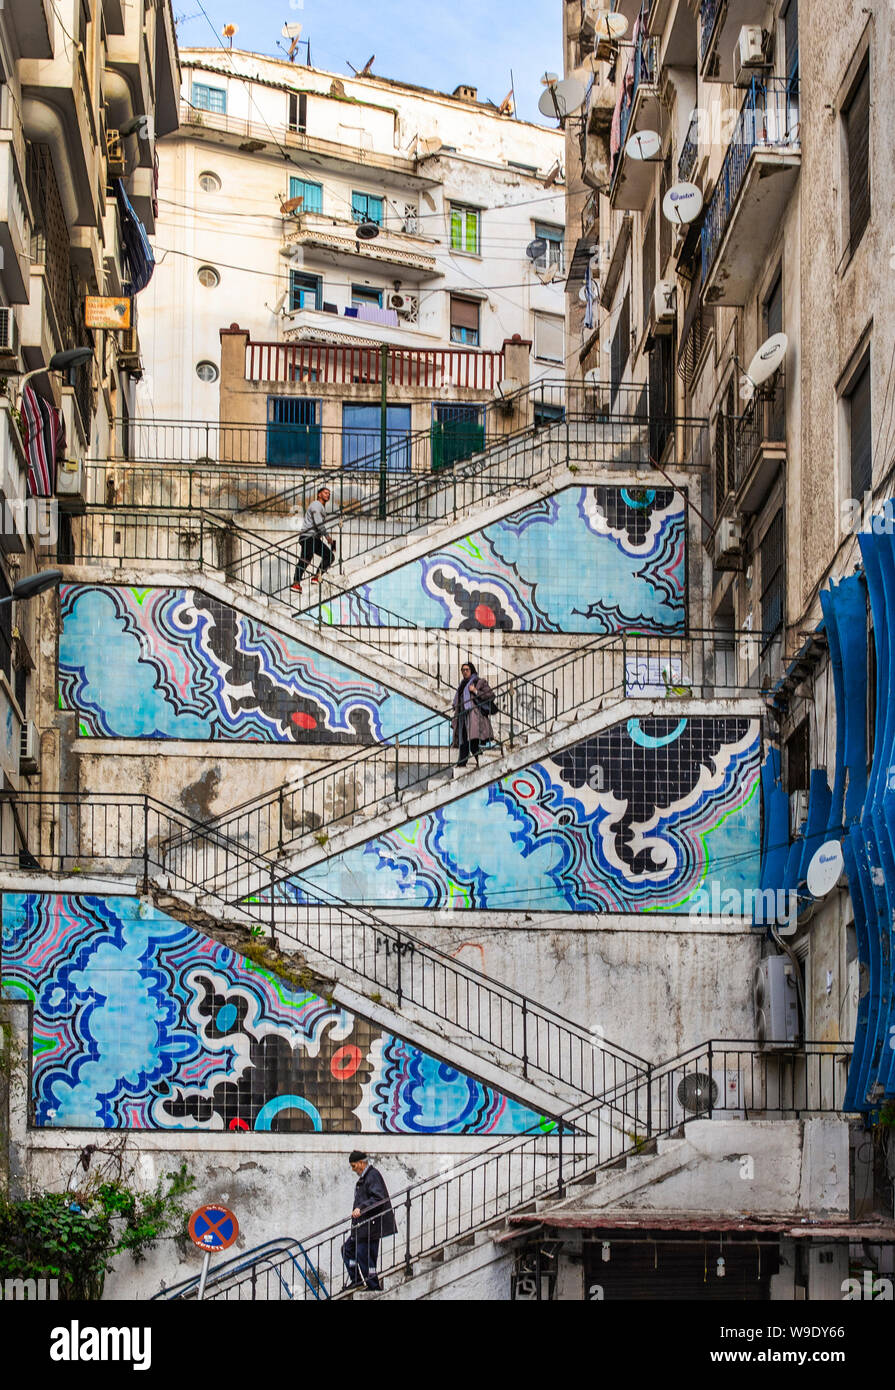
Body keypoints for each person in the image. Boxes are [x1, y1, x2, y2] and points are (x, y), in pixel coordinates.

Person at [341, 1151, 397, 1292]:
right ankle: (357, 1281)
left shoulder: (372, 1175)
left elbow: (379, 1198)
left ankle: (373, 1286)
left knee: (364, 1255)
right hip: (361, 1227)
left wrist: (361, 1207)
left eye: (354, 1166)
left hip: (370, 1227)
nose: (353, 1170)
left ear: (361, 1163)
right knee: (348, 1250)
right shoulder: (364, 1178)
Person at [291, 487, 336, 592]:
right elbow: (318, 523)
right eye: (325, 493)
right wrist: (328, 537)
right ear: (319, 494)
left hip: (314, 538)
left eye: (329, 493)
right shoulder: (316, 505)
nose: (328, 495)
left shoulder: (321, 507)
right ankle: (296, 583)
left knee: (329, 556)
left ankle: (317, 576)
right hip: (308, 537)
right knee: (306, 558)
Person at [452, 661, 495, 768]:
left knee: (471, 742)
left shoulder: (479, 682)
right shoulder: (462, 685)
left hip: (474, 717)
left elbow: (490, 695)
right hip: (463, 718)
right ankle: (465, 764)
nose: (465, 672)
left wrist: (475, 690)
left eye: (467, 670)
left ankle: (464, 764)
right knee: (465, 742)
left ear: (472, 670)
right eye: (463, 670)